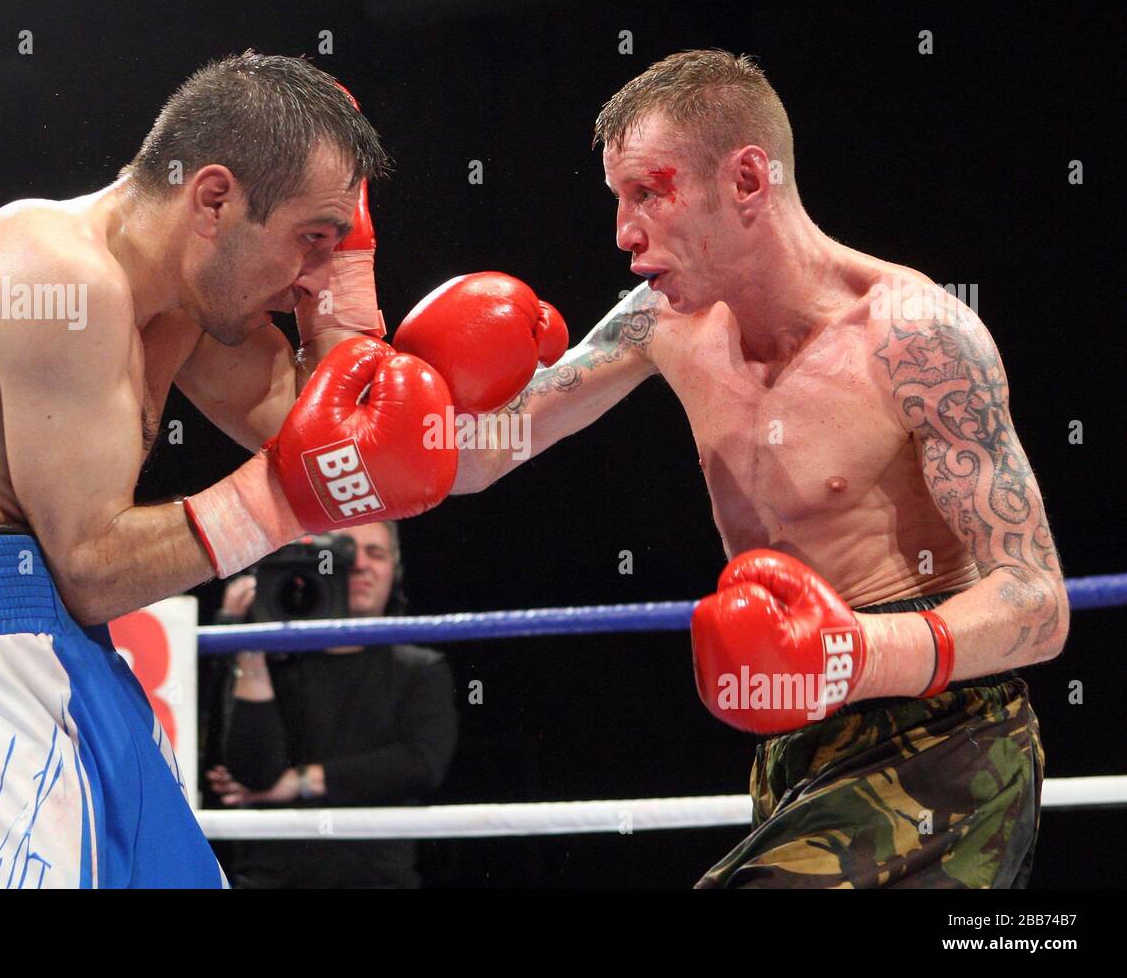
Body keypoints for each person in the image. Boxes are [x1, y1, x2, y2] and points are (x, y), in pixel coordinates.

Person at [444, 50, 1067, 888]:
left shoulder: (917, 335)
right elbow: (471, 457)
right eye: (619, 201)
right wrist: (344, 317)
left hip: (945, 736)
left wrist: (856, 652)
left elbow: (1037, 598)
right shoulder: (657, 322)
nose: (624, 233)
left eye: (647, 194)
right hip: (792, 741)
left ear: (745, 180)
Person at [0, 52, 460, 889]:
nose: (305, 281)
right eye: (310, 242)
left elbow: (378, 448)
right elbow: (94, 568)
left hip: (79, 668)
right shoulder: (54, 273)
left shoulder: (185, 314)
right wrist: (288, 497)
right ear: (213, 198)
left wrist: (644, 341)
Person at [207, 521, 457, 888]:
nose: (360, 565)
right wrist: (248, 644)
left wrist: (300, 781)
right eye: (345, 552)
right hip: (269, 879)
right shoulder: (274, 659)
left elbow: (421, 764)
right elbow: (253, 775)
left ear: (394, 569)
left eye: (376, 553)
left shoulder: (419, 668)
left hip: (378, 880)